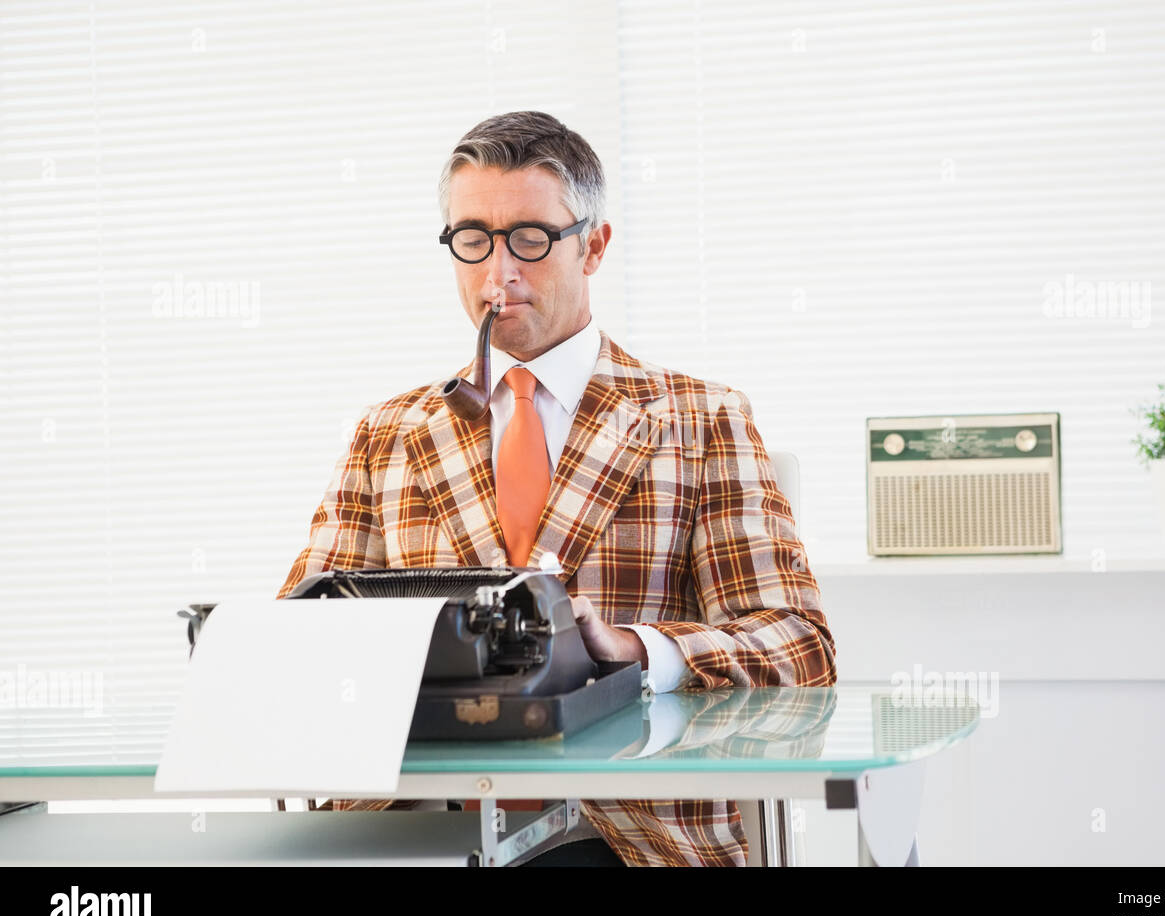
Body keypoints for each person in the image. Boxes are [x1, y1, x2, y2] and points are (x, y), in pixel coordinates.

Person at [277, 110, 836, 866]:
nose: (497, 275)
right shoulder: (388, 433)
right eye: (472, 239)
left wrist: (638, 652)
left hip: (623, 834)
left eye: (530, 240)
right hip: (421, 828)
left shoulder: (699, 420)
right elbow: (295, 642)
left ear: (594, 246)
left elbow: (799, 644)